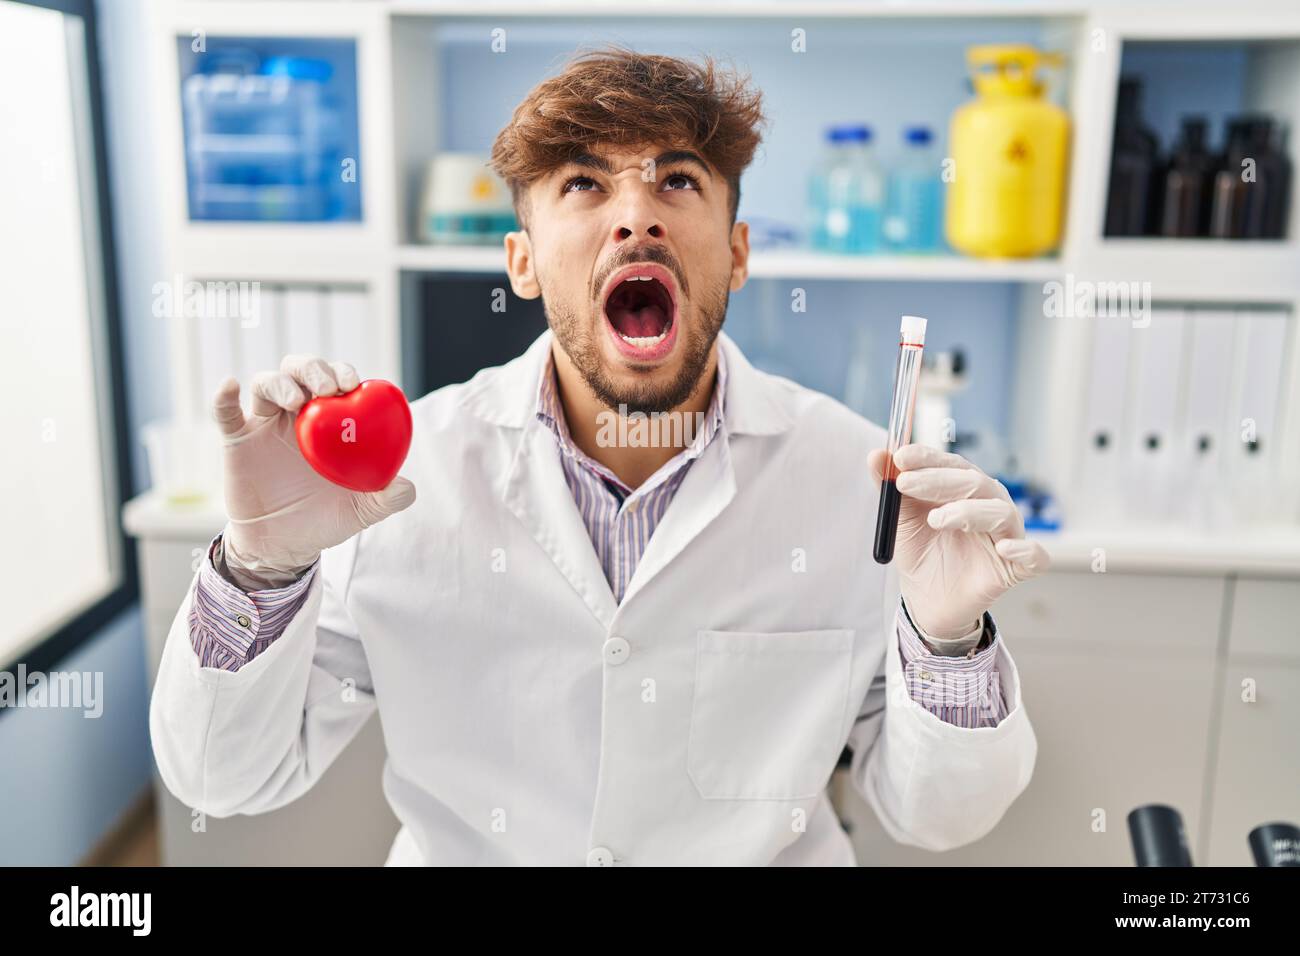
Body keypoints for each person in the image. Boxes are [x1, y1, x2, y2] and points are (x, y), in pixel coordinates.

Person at [151, 48, 1049, 866]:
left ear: (737, 253)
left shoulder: (861, 484)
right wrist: (260, 570)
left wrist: (948, 642)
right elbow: (221, 778)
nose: (635, 219)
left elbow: (941, 818)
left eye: (678, 183)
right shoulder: (394, 481)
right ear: (524, 260)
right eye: (584, 185)